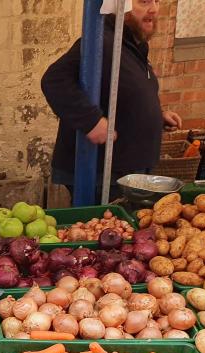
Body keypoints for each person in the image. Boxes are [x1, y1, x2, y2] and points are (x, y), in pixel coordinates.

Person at [41, 0, 182, 202]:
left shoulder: (132, 47)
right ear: (120, 6)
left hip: (127, 172)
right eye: (144, 1)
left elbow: (123, 96)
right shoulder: (101, 42)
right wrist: (91, 121)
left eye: (156, 1)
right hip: (103, 175)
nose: (154, 9)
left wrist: (157, 117)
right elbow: (54, 80)